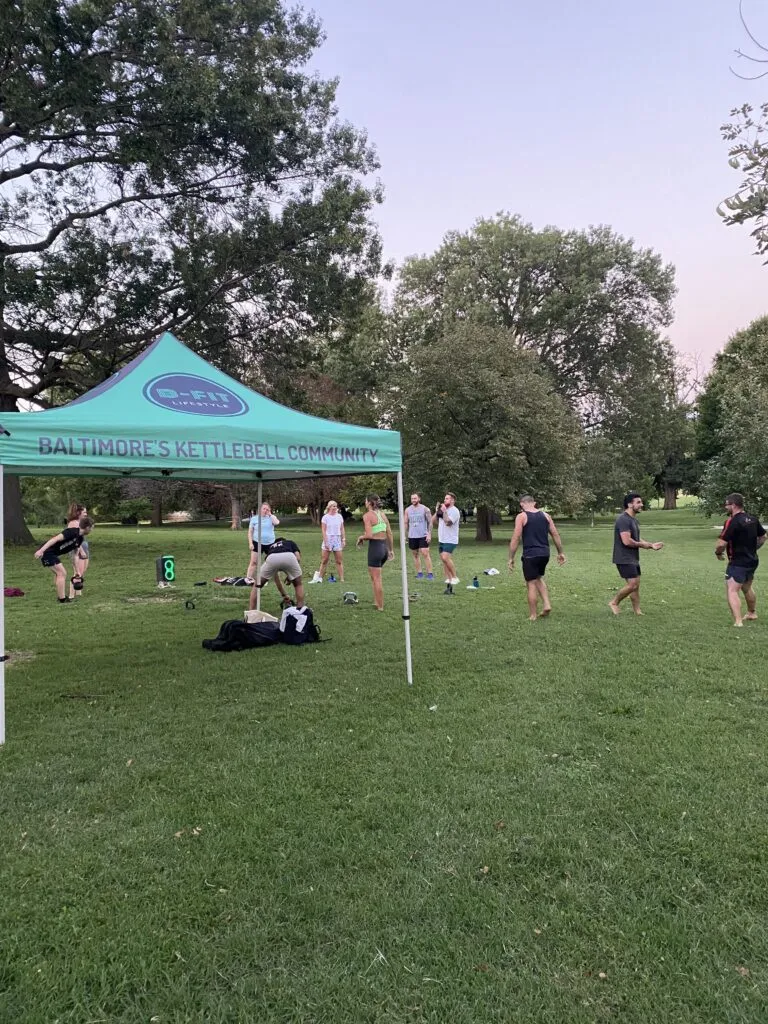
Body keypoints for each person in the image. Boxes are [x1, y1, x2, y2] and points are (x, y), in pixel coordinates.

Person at [507, 494, 566, 620]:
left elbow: (516, 537)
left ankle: (533, 615)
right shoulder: (546, 516)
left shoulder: (522, 516)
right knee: (538, 577)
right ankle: (547, 604)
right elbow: (555, 534)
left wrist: (511, 557)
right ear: (534, 503)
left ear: (522, 504)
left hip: (530, 555)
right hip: (545, 553)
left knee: (531, 583)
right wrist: (560, 552)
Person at [715, 492, 766, 627]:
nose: (726, 507)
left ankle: (738, 621)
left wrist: (718, 553)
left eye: (727, 505)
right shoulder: (752, 519)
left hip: (737, 562)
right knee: (747, 587)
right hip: (752, 560)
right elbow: (763, 537)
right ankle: (752, 613)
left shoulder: (732, 521)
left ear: (733, 505)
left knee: (732, 590)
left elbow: (721, 544)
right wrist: (754, 548)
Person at [609, 493, 664, 616]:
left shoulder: (633, 520)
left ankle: (637, 611)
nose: (641, 505)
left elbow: (637, 538)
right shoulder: (623, 519)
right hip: (624, 558)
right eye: (638, 502)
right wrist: (643, 545)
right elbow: (627, 541)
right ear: (630, 504)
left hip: (632, 558)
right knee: (632, 585)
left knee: (635, 586)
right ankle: (614, 602)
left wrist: (651, 545)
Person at [35, 516, 95, 603]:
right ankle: (62, 599)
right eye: (92, 528)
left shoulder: (80, 538)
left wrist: (77, 571)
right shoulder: (71, 532)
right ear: (87, 527)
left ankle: (61, 598)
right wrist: (41, 550)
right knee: (61, 573)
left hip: (52, 554)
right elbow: (55, 539)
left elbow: (75, 555)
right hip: (47, 552)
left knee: (60, 573)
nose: (92, 530)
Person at [356, 495, 394, 611]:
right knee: (374, 577)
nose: (365, 503)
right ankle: (377, 602)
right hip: (384, 548)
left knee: (376, 578)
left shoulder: (367, 516)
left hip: (375, 548)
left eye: (365, 501)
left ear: (369, 503)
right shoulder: (382, 515)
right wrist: (391, 550)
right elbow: (389, 533)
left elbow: (369, 535)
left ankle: (380, 606)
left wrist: (361, 537)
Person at [249, 536, 305, 609]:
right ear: (284, 541)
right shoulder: (290, 542)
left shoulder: (272, 547)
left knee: (257, 586)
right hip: (289, 556)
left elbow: (276, 579)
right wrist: (291, 577)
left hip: (272, 558)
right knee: (298, 585)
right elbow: (297, 558)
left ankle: (251, 611)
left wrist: (284, 595)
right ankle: (300, 608)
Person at [310, 500, 346, 583]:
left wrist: (343, 539)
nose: (335, 508)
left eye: (336, 506)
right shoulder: (325, 517)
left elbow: (342, 528)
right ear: (329, 507)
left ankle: (342, 578)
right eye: (333, 506)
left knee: (339, 561)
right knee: (324, 560)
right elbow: (323, 530)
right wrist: (326, 542)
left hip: (337, 539)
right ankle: (319, 578)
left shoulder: (339, 516)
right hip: (328, 539)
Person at [245, 502, 280, 581]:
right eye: (264, 509)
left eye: (267, 509)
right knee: (254, 562)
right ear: (260, 509)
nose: (265, 510)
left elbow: (277, 523)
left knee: (272, 562)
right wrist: (250, 543)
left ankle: (273, 579)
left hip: (270, 543)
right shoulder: (254, 519)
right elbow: (250, 532)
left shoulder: (272, 517)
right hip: (257, 542)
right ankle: (248, 578)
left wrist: (270, 514)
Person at [432, 492, 460, 585]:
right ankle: (449, 578)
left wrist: (444, 512)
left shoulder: (455, 511)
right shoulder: (442, 509)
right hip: (442, 538)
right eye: (444, 498)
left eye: (447, 498)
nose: (444, 500)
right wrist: (437, 511)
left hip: (451, 539)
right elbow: (433, 521)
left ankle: (455, 577)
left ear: (452, 500)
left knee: (445, 557)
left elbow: (448, 522)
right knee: (444, 560)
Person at [404, 492, 434, 580]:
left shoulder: (425, 509)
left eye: (415, 498)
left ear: (419, 499)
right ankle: (419, 573)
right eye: (412, 498)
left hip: (423, 535)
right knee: (415, 554)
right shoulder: (407, 510)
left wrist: (429, 534)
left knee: (425, 553)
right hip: (412, 536)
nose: (413, 500)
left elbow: (430, 522)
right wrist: (405, 535)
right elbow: (405, 523)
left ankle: (430, 574)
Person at [66, 501, 89, 598]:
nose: (86, 514)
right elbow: (74, 540)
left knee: (82, 571)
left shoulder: (80, 523)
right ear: (78, 512)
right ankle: (71, 595)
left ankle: (78, 593)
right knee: (77, 573)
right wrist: (81, 551)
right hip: (77, 550)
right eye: (84, 512)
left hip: (84, 547)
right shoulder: (73, 523)